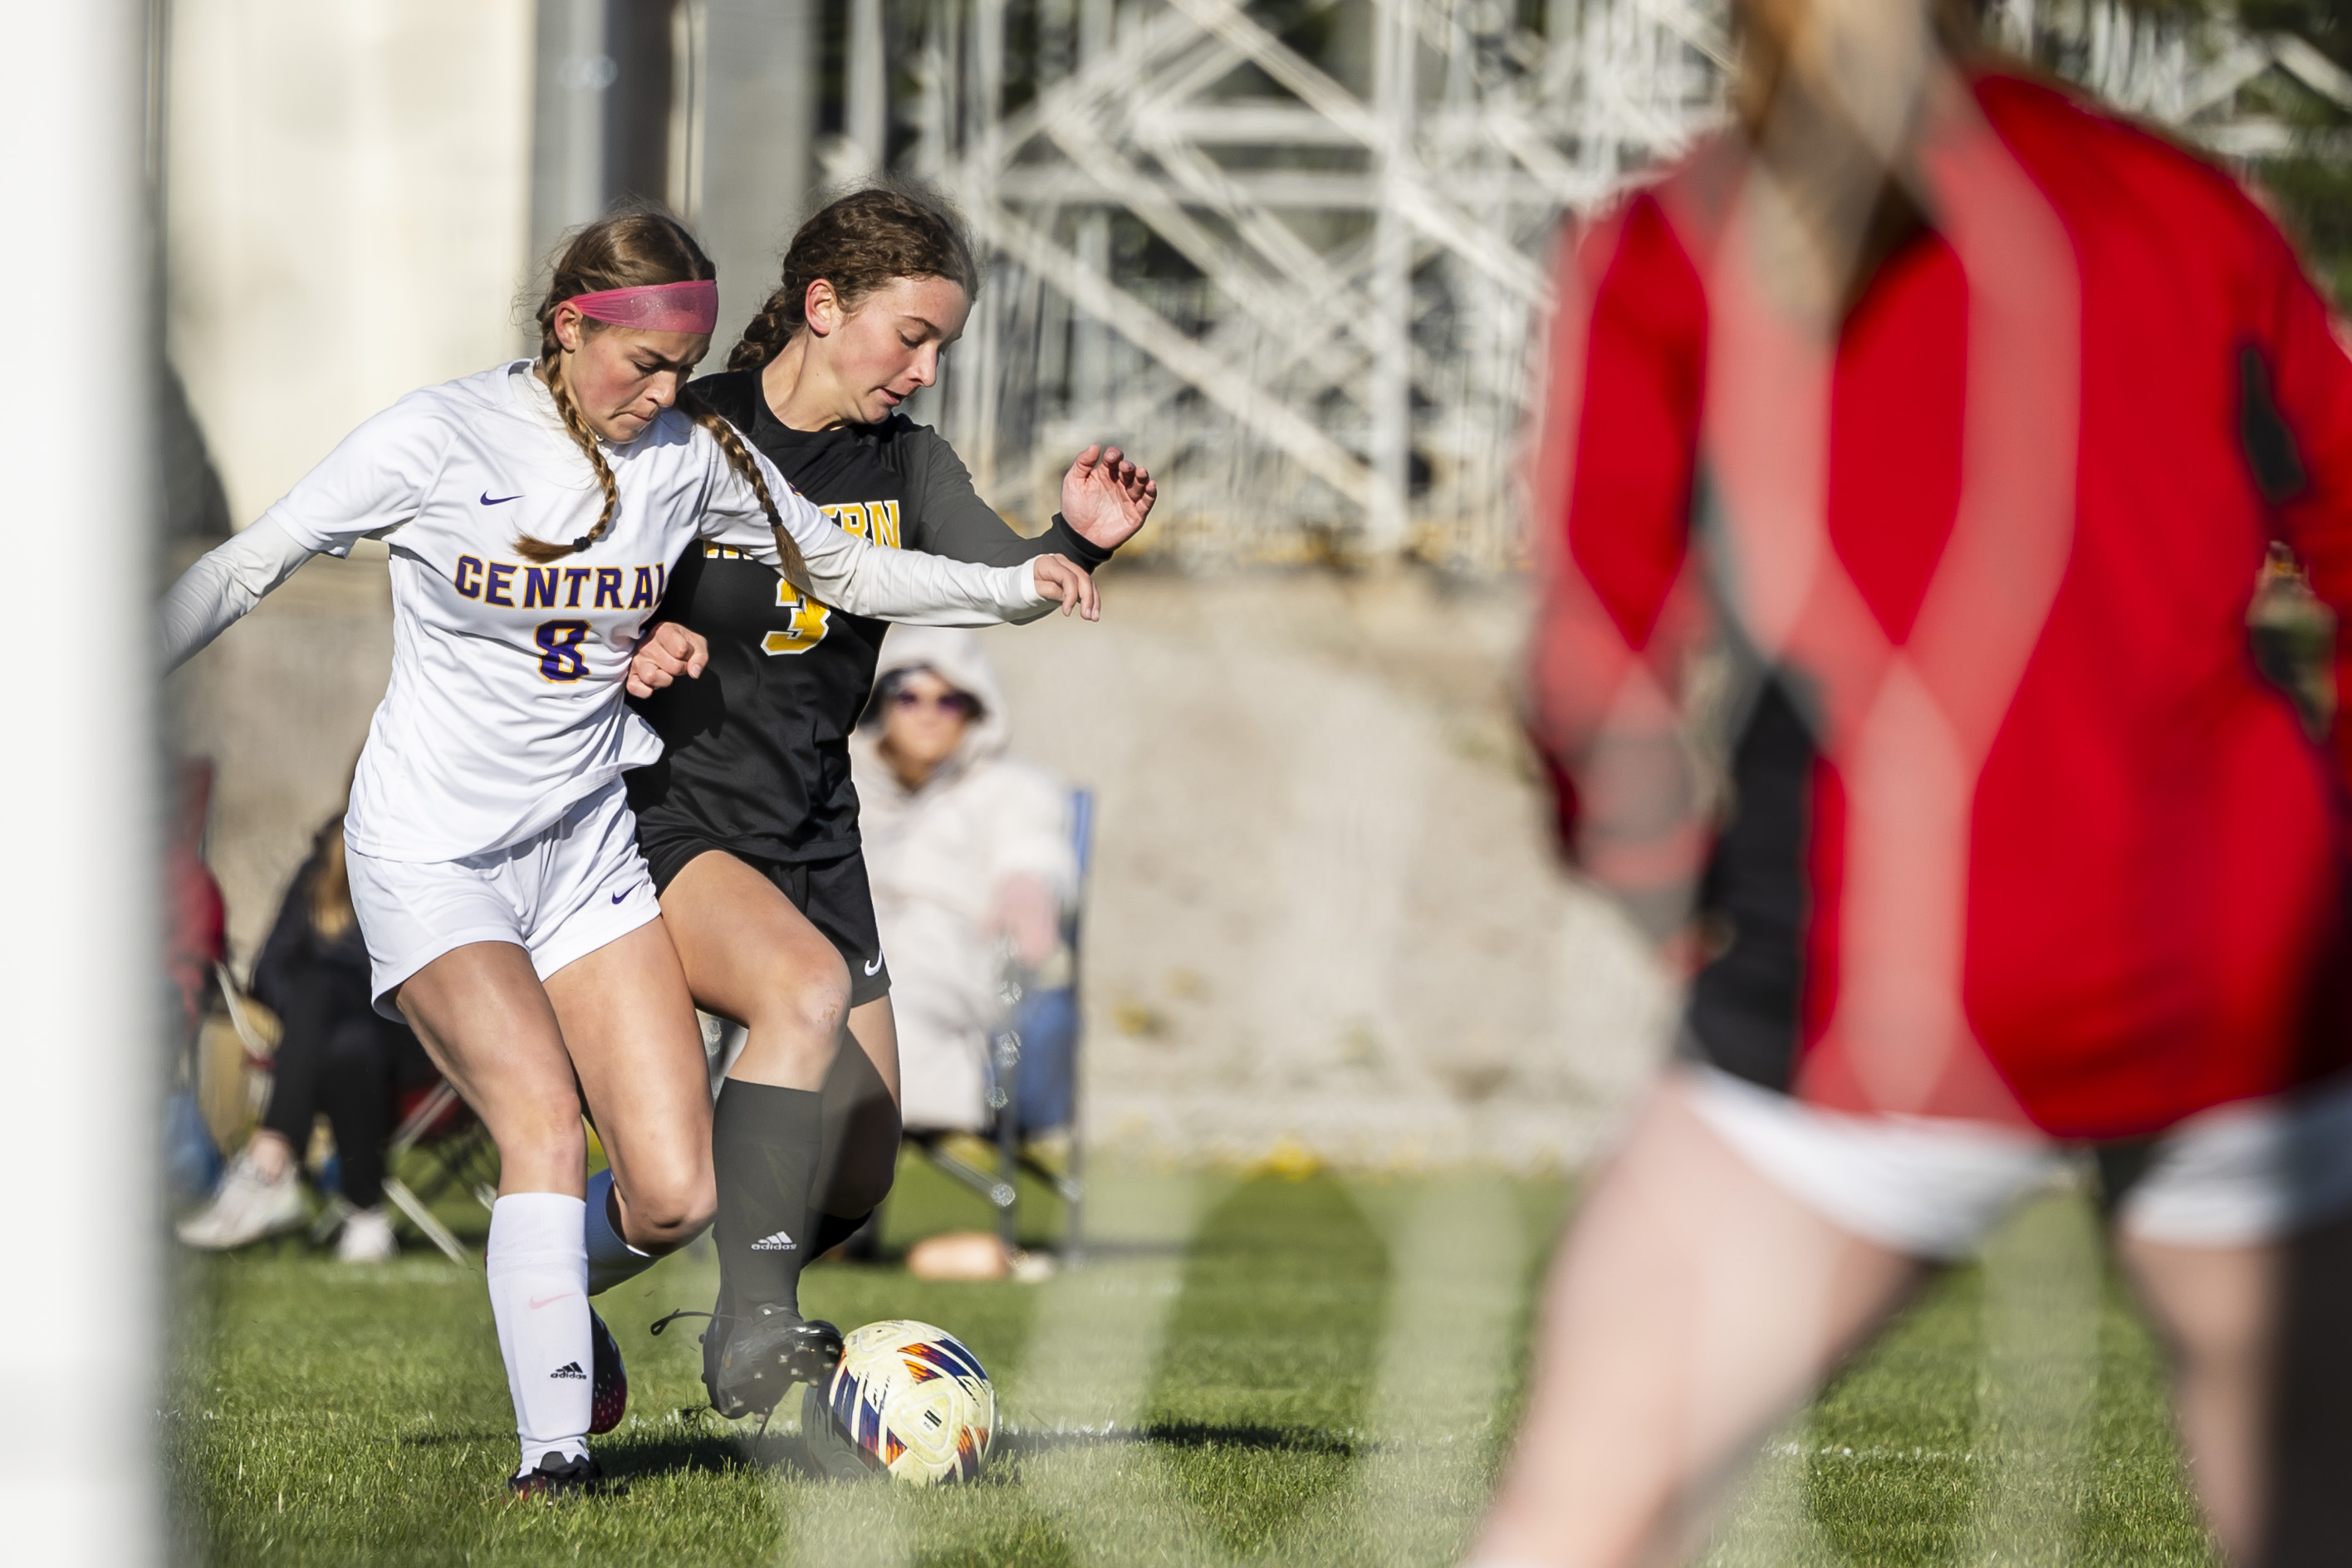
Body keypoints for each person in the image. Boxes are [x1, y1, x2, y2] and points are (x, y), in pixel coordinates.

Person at [1468, 2, 2352, 1564]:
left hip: (1902, 958)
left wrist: (1672, 904)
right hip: (2247, 953)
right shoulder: (2178, 202)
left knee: (1578, 1516)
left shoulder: (1681, 238)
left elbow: (1597, 668)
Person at [160, 209, 1098, 1498]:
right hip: (438, 854)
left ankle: (549, 1285)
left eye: (685, 366)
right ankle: (556, 1461)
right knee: (544, 1120)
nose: (664, 394)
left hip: (587, 847)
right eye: (642, 366)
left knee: (672, 1197)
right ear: (568, 329)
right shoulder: (442, 438)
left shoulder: (691, 453)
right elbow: (249, 562)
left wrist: (1024, 582)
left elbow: (850, 573)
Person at [627, 184, 1153, 1425]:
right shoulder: (687, 432)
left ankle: (589, 1266)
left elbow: (992, 570)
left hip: (818, 831)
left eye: (941, 348)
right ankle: (751, 1334)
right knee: (798, 996)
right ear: (824, 306)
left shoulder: (905, 464)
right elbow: (583, 573)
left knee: (857, 1172)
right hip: (675, 819)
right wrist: (635, 637)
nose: (924, 370)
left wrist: (1077, 546)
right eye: (910, 337)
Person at [175, 812, 439, 1263]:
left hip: (413, 1039)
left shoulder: (434, 863)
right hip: (330, 1047)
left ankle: (270, 1160)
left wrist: (340, 996)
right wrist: (312, 1017)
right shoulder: (322, 868)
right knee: (344, 1036)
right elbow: (269, 969)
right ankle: (365, 1216)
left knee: (325, 987)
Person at [850, 627, 1078, 1146]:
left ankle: (838, 1205)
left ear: (974, 710)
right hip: (850, 946)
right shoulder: (841, 783)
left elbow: (1036, 849)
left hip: (952, 962)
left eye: (949, 700)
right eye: (908, 696)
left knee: (885, 1013)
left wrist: (1029, 887)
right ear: (882, 701)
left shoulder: (1012, 788)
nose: (928, 712)